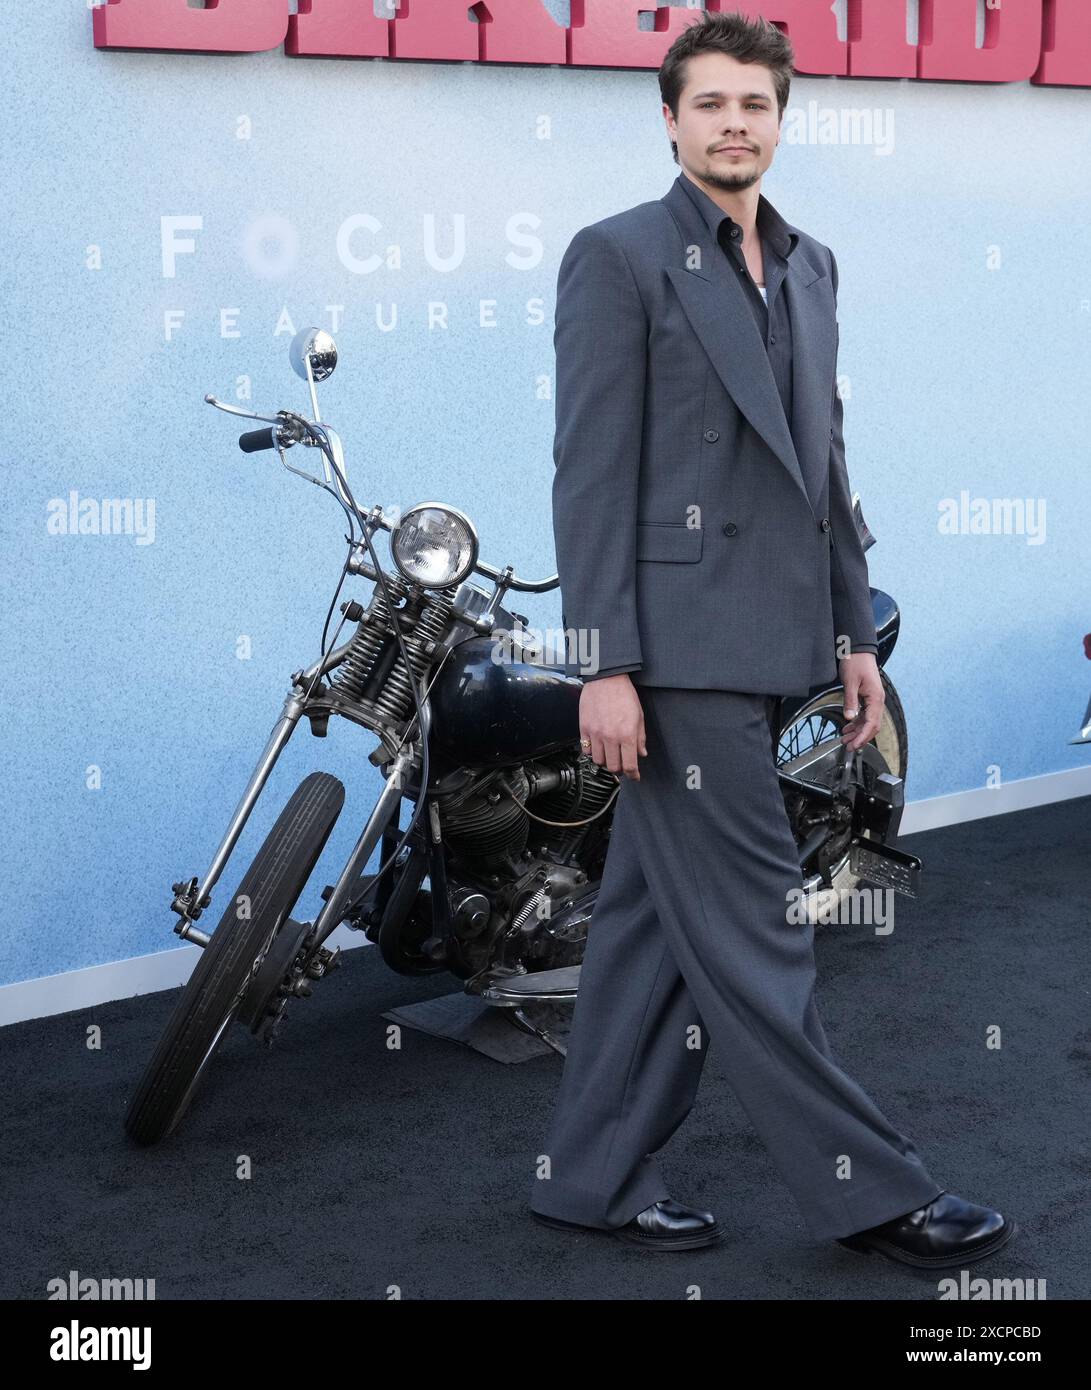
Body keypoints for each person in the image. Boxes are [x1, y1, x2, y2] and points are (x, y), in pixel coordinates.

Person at [527, 10, 1016, 1267]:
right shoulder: (616, 257)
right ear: (670, 119)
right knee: (758, 936)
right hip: (676, 663)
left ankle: (587, 1177)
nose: (734, 123)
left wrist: (853, 634)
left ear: (779, 119)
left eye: (755, 104)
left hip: (781, 643)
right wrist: (604, 664)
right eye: (711, 104)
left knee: (645, 930)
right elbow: (587, 478)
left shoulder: (811, 265)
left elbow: (822, 470)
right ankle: (874, 1192)